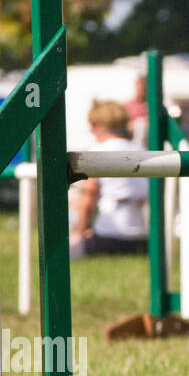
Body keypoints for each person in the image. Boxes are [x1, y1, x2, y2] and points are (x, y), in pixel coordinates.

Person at [70, 101, 149, 258]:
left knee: (69, 248)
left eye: (92, 125)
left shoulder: (96, 152)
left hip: (108, 235)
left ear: (99, 126)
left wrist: (80, 232)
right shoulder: (142, 150)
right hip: (142, 237)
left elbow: (89, 197)